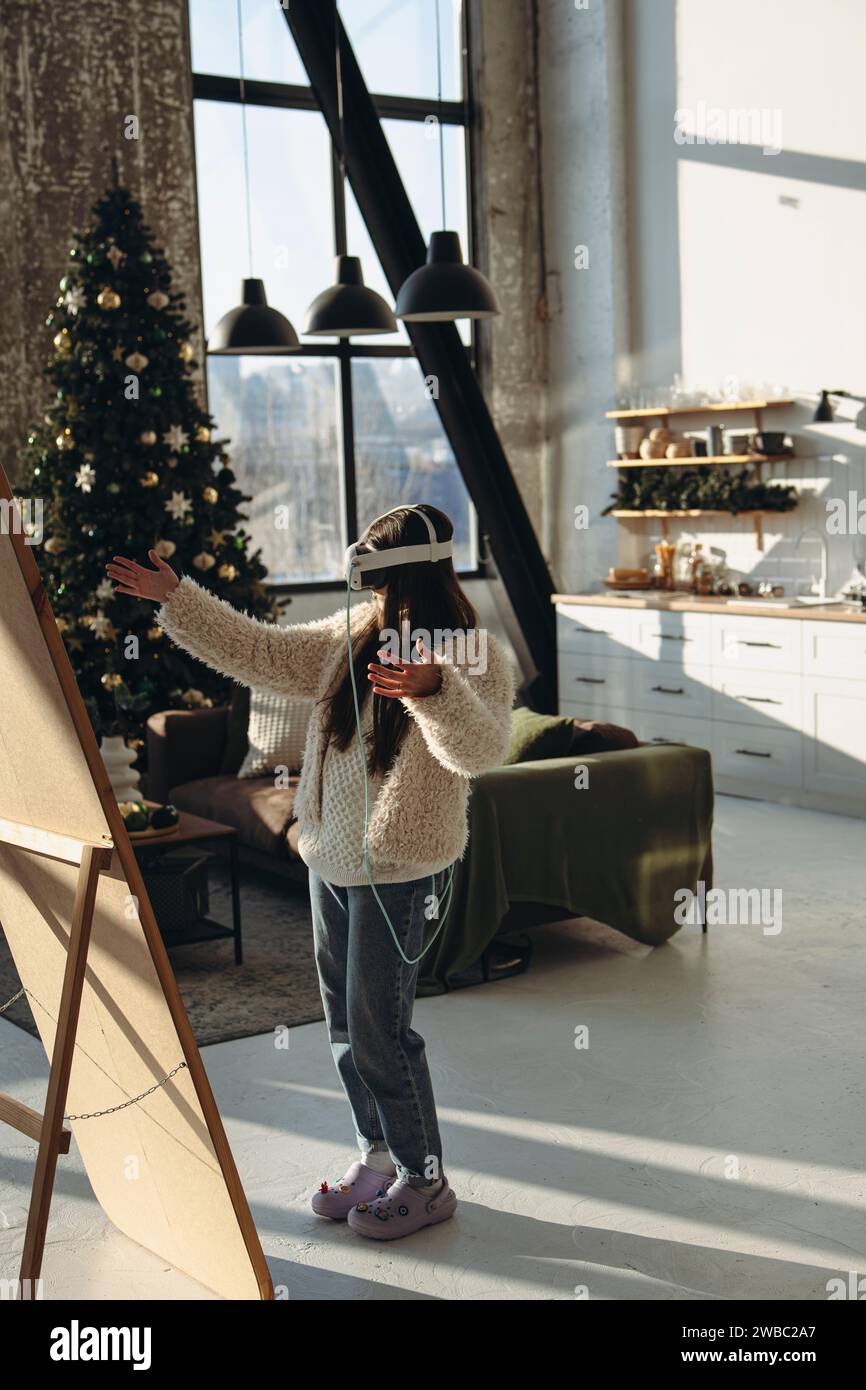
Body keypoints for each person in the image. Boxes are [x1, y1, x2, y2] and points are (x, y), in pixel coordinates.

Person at [106, 503, 514, 1240]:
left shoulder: (473, 652)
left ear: (409, 571)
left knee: (379, 1031)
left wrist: (434, 692)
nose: (369, 592)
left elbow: (481, 754)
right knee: (342, 1027)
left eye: (376, 574)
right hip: (329, 860)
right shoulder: (348, 637)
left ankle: (426, 1179)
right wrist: (178, 599)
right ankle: (378, 1153)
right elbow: (259, 651)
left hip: (401, 869)